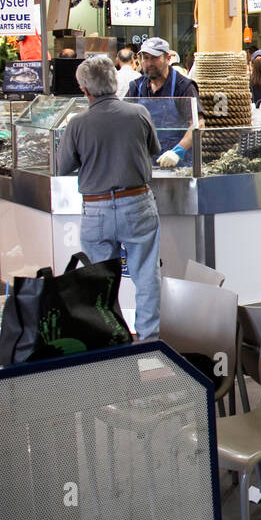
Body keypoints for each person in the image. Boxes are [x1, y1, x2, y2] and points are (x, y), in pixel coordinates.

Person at [56, 55, 163, 338]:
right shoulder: (139, 113)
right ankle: (149, 337)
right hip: (137, 203)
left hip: (96, 209)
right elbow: (154, 148)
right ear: (115, 82)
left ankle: (110, 337)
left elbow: (62, 166)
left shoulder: (77, 124)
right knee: (146, 274)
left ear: (84, 89)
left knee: (101, 280)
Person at [125, 37, 201, 168]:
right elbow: (122, 119)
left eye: (155, 58)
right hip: (144, 163)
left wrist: (178, 151)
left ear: (168, 59)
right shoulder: (136, 87)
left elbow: (198, 123)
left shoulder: (183, 87)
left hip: (178, 165)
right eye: (145, 58)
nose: (149, 63)